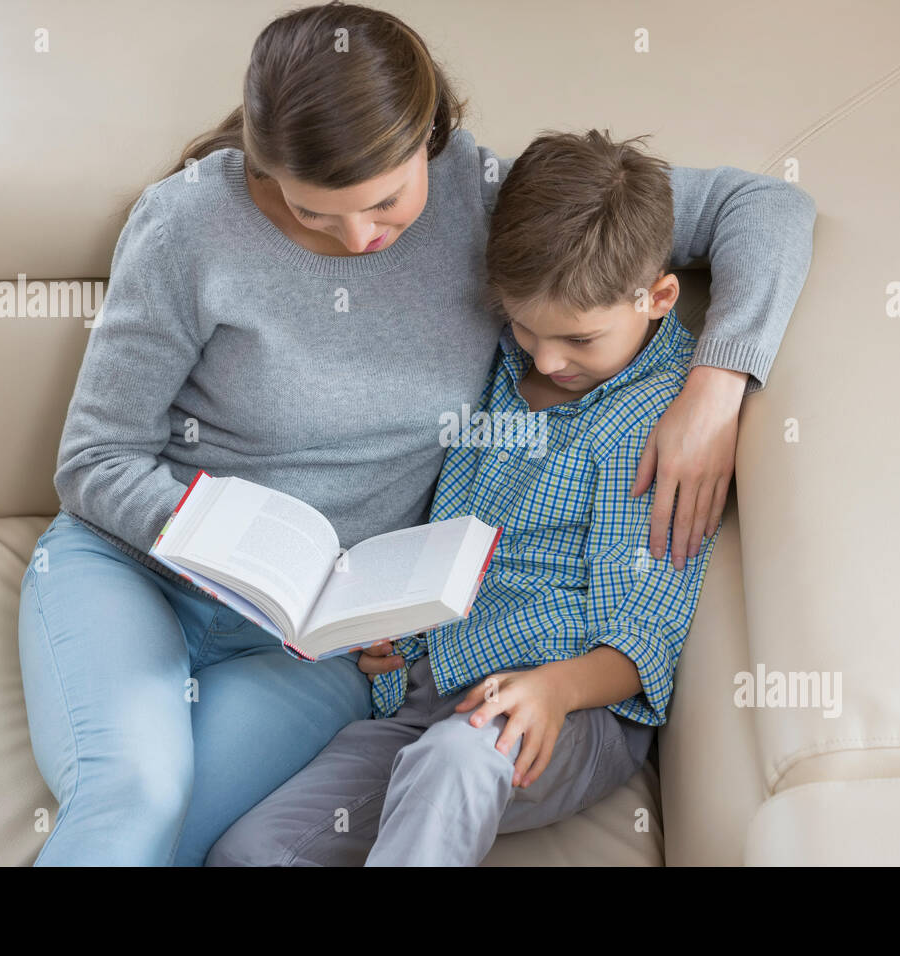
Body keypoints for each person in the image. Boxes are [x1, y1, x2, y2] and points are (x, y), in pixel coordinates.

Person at [18, 1, 815, 866]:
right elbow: (94, 460)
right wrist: (229, 541)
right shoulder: (187, 228)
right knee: (138, 793)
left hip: (311, 644)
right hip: (137, 573)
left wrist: (716, 383)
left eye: (386, 202)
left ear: (429, 134)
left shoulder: (498, 203)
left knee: (191, 837)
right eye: (314, 212)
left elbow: (763, 207)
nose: (360, 239)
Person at [206, 129, 719, 866]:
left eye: (579, 339)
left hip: (567, 705)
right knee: (250, 852)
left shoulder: (656, 421)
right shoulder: (493, 364)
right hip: (427, 693)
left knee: (458, 762)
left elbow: (648, 628)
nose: (547, 358)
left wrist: (554, 691)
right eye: (526, 326)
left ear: (659, 296)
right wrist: (389, 629)